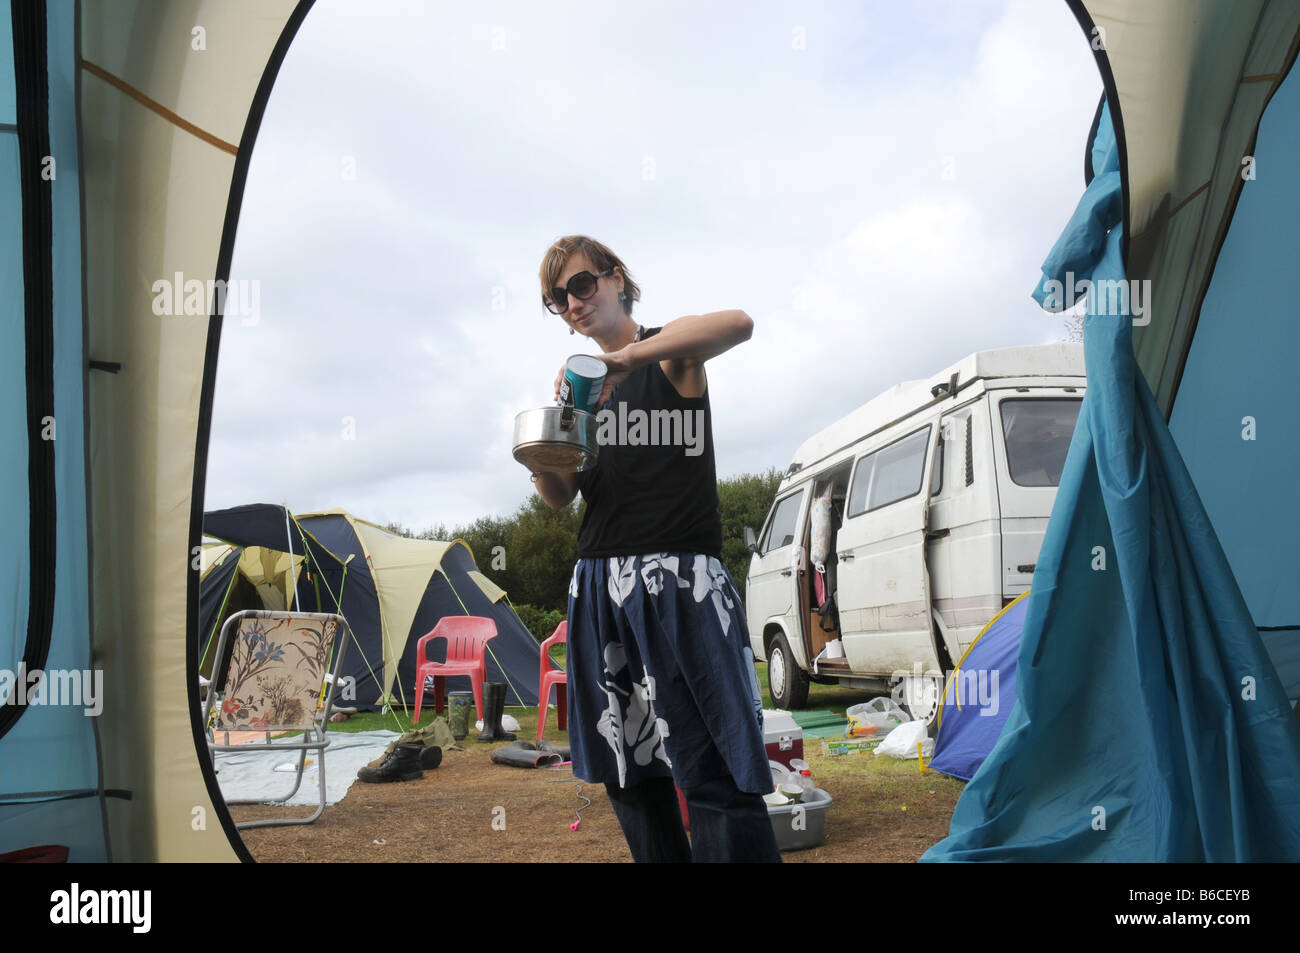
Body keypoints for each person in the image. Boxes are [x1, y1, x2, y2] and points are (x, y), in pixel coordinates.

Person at [531, 235, 781, 863]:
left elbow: (739, 323)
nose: (572, 303)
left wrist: (628, 358)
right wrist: (541, 457)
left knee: (713, 766)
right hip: (599, 585)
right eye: (557, 298)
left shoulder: (672, 354)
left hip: (677, 580)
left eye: (581, 284)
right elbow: (561, 496)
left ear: (616, 279)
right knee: (629, 771)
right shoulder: (578, 392)